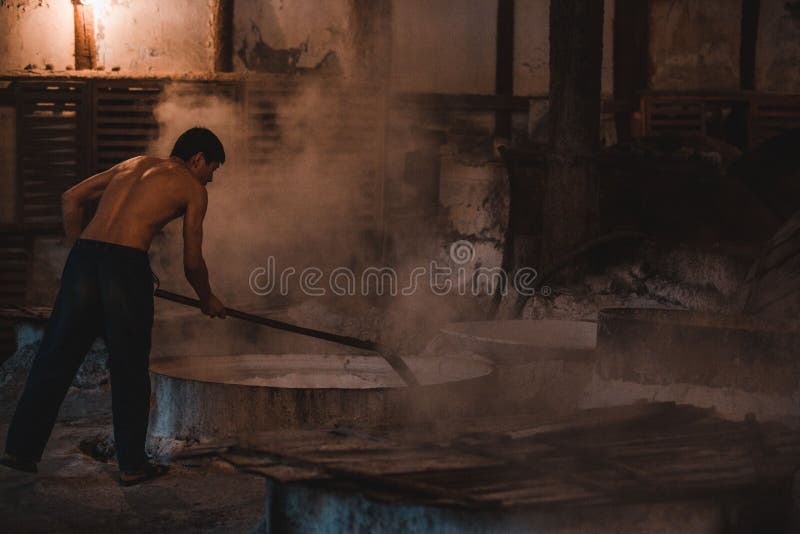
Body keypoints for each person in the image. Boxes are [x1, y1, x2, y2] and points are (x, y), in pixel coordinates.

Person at [0, 127, 227, 486]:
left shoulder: (133, 164)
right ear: (198, 159)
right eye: (213, 169)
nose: (211, 179)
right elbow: (192, 262)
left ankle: (20, 450)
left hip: (84, 261)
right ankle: (132, 464)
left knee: (54, 358)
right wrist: (207, 298)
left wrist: (82, 256)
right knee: (129, 368)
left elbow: (70, 198)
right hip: (125, 266)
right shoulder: (192, 188)